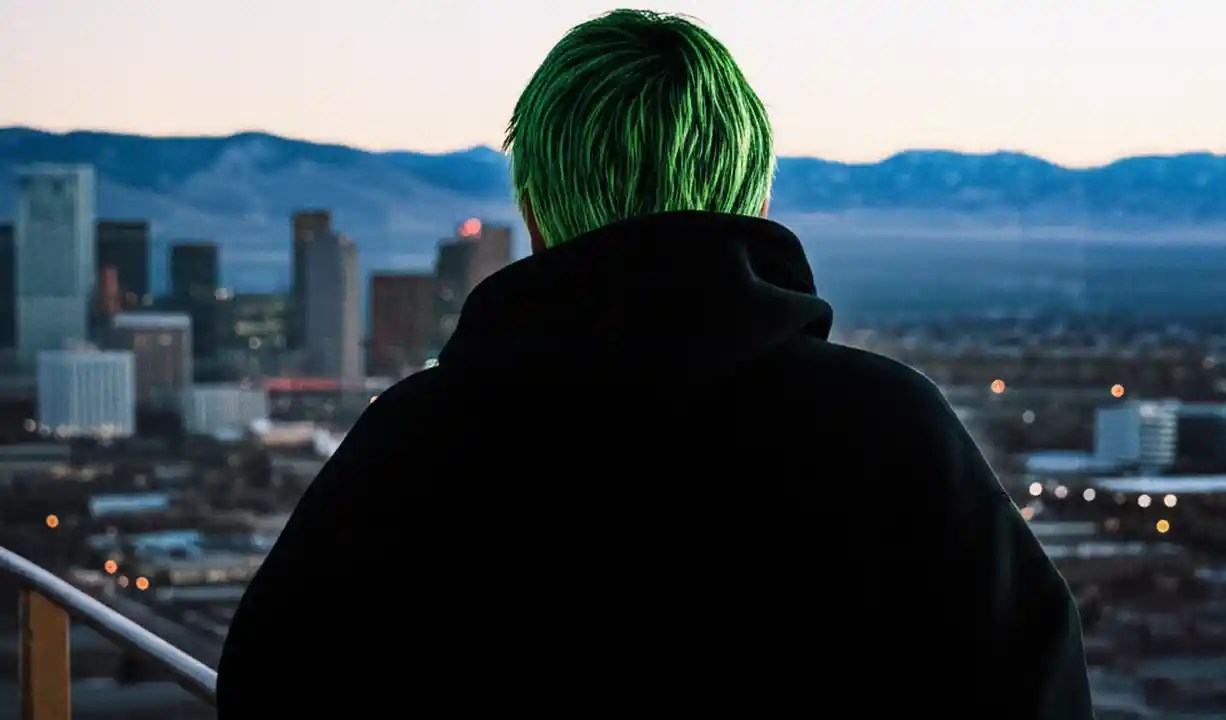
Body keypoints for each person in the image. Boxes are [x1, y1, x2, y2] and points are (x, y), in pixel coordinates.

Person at [217, 9, 1093, 718]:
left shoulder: (415, 441)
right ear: (754, 194)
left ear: (534, 209)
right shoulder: (890, 430)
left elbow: (271, 685)